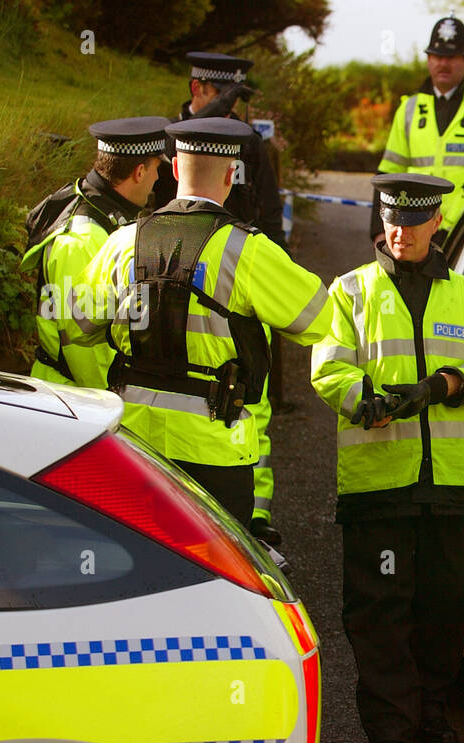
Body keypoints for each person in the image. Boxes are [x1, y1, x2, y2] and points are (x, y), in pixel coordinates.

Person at [311, 173, 464, 743]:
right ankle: (389, 728)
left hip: (451, 487)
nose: (399, 230)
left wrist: (450, 384)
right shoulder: (348, 293)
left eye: (412, 220)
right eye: (391, 218)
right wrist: (361, 400)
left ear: (435, 226)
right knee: (378, 612)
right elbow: (327, 370)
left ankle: (431, 709)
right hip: (379, 486)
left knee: (444, 608)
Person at [70, 117, 330, 527]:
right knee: (216, 578)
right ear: (231, 175)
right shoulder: (248, 250)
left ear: (174, 171)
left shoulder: (122, 240)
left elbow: (79, 325)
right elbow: (317, 319)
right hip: (215, 453)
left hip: (134, 445)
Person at [152, 51, 288, 544]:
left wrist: (272, 272)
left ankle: (257, 516)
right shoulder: (172, 140)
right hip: (175, 275)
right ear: (198, 91)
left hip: (243, 278)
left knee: (253, 400)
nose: (232, 112)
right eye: (222, 98)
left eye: (237, 101)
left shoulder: (246, 143)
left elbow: (270, 210)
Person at [24, 117, 169, 388]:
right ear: (139, 172)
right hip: (71, 400)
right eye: (156, 169)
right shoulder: (84, 238)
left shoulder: (96, 208)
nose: (157, 179)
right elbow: (81, 344)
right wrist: (115, 401)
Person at [371, 16, 464, 245]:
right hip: (415, 227)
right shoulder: (409, 109)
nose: (443, 64)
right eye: (438, 56)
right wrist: (378, 231)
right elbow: (387, 174)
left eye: (451, 57)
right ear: (428, 59)